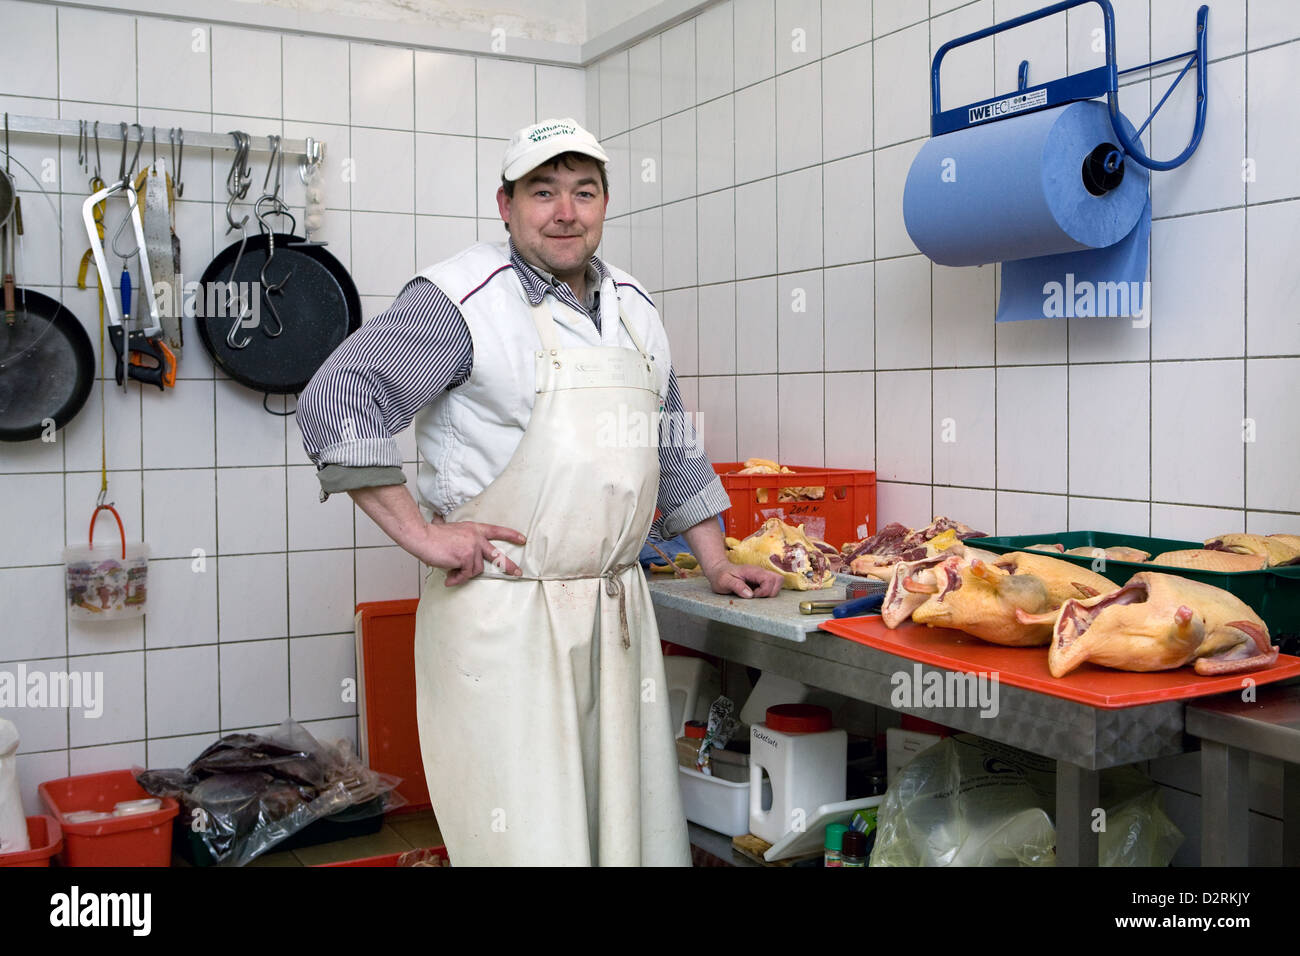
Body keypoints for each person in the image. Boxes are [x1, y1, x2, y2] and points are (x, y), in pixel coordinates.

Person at [296, 117, 782, 866]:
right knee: (529, 841)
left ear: (606, 203)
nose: (565, 210)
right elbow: (336, 398)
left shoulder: (634, 307)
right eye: (543, 191)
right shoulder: (462, 300)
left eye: (583, 192)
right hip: (506, 618)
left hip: (617, 614)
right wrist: (424, 537)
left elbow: (673, 442)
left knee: (632, 838)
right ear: (506, 205)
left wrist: (715, 563)